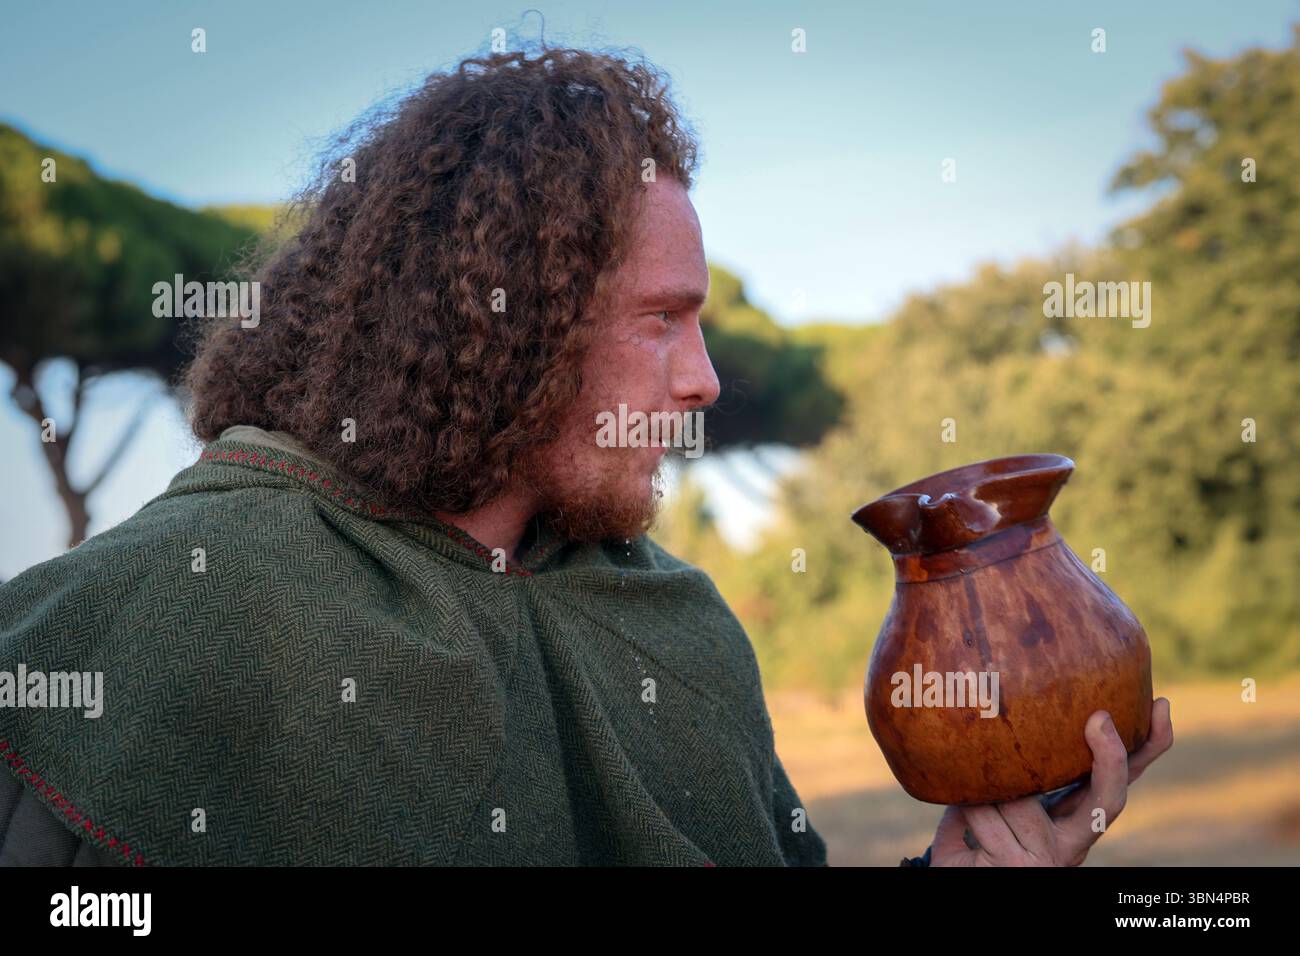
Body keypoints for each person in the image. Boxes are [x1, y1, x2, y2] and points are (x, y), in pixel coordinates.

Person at [0, 46, 1171, 867]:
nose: (706, 378)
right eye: (661, 320)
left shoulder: (672, 622)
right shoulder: (162, 605)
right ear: (503, 326)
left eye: (704, 323)